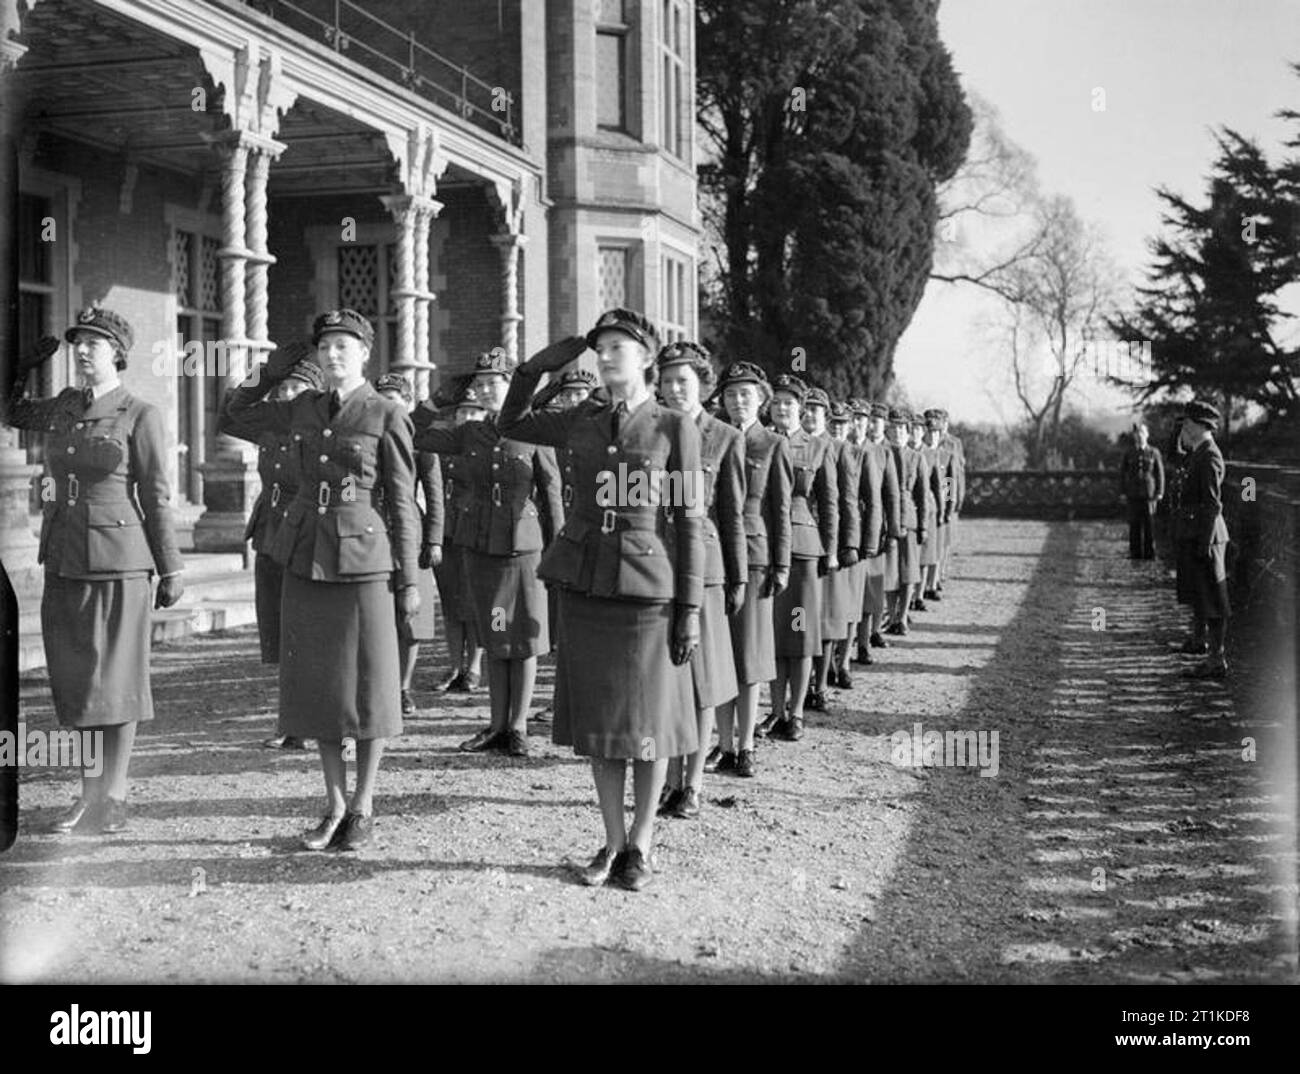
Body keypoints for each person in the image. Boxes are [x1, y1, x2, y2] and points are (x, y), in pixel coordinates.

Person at [497, 308, 703, 892]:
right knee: (601, 723)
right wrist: (539, 366)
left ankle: (640, 844)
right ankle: (610, 843)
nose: (607, 356)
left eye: (619, 347)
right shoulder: (578, 421)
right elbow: (510, 420)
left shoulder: (672, 427)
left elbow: (689, 522)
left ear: (646, 357)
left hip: (646, 589)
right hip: (587, 584)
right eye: (601, 347)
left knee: (647, 723)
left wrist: (689, 609)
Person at [219, 308, 421, 852]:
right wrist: (268, 371)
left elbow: (401, 502)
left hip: (365, 561)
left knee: (369, 685)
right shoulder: (302, 408)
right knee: (319, 687)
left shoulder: (385, 414)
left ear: (364, 354)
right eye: (325, 347)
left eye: (343, 346)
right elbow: (233, 418)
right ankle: (332, 805)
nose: (333, 355)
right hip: (305, 556)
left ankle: (363, 806)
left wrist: (409, 579)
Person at [3, 308, 184, 835]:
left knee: (118, 679)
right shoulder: (62, 407)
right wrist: (21, 367)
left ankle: (115, 795)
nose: (83, 351)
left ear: (118, 354)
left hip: (119, 562)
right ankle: (86, 796)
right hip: (63, 558)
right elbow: (11, 412)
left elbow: (156, 495)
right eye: (78, 342)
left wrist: (170, 568)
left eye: (95, 343)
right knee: (78, 684)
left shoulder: (139, 413)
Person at [413, 349, 563, 758]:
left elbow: (552, 496)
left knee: (525, 638)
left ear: (511, 386)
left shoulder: (536, 431)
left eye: (492, 382)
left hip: (525, 551)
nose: (484, 390)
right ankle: (496, 724)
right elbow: (413, 434)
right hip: (481, 549)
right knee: (496, 635)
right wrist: (436, 402)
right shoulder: (469, 433)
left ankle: (517, 727)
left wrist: (558, 553)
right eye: (479, 384)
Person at [655, 342, 746, 817]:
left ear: (703, 385)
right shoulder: (648, 429)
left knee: (702, 679)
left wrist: (738, 576)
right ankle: (666, 780)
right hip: (656, 566)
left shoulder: (724, 437)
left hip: (705, 570)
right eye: (667, 380)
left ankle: (692, 784)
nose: (673, 389)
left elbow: (731, 514)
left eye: (683, 381)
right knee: (666, 679)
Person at [222, 354, 324, 750]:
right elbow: (229, 416)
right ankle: (292, 722)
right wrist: (264, 376)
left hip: (306, 537)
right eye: (284, 389)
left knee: (309, 632)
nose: (288, 395)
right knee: (280, 634)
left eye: (297, 388)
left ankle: (321, 721)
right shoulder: (270, 425)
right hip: (269, 534)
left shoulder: (324, 429)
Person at [710, 362, 791, 778]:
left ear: (761, 400)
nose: (738, 402)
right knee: (720, 655)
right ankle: (722, 743)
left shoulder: (773, 444)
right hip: (716, 558)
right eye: (730, 395)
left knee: (750, 657)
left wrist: (781, 563)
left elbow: (780, 510)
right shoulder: (715, 439)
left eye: (746, 394)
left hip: (756, 559)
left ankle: (744, 747)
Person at [759, 374, 836, 743]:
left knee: (799, 631)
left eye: (789, 403)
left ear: (801, 409)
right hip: (768, 544)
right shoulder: (760, 441)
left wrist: (834, 550)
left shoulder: (818, 447)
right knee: (774, 633)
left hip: (803, 548)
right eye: (777, 403)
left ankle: (798, 712)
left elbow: (832, 502)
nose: (783, 409)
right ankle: (775, 710)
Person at [374, 373, 443, 715]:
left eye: (396, 399)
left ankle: (403, 687)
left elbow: (433, 494)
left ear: (409, 404)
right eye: (383, 398)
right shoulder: (367, 436)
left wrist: (433, 539)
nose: (389, 406)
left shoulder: (422, 442)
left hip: (410, 532)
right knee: (377, 614)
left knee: (412, 620)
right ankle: (379, 685)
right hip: (373, 531)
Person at [431, 379, 486, 693]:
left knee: (474, 603)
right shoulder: (446, 444)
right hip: (448, 530)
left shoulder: (489, 445)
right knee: (451, 603)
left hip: (476, 530)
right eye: (463, 411)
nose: (467, 417)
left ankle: (475, 666)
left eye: (474, 412)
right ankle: (454, 665)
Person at [1173, 400, 1230, 678]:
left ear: (1198, 425)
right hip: (1197, 533)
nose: (1183, 427)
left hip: (1207, 536)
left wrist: (1204, 544)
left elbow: (1212, 504)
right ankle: (1201, 644)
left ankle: (1216, 660)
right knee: (1200, 593)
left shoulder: (1209, 456)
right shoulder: (1199, 452)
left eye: (1186, 423)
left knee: (1213, 598)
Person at [855, 402, 901, 659]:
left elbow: (892, 494)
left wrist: (893, 531)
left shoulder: (883, 453)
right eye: (860, 419)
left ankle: (864, 643)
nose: (866, 424)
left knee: (870, 590)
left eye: (868, 419)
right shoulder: (840, 446)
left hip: (873, 529)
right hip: (847, 528)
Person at [825, 400, 865, 689]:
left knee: (850, 607)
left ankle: (844, 661)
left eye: (843, 423)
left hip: (851, 538)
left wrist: (857, 542)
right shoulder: (820, 447)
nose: (837, 427)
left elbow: (868, 500)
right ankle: (825, 666)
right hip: (825, 536)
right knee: (828, 608)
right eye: (834, 423)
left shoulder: (860, 454)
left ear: (851, 426)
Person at [885, 408, 927, 636]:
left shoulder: (917, 457)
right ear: (888, 430)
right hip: (888, 521)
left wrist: (924, 525)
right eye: (894, 427)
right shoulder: (881, 454)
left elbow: (923, 495)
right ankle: (891, 615)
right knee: (890, 573)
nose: (898, 432)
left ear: (909, 432)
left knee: (909, 572)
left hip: (909, 520)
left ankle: (902, 617)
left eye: (902, 428)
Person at [1119, 420, 1165, 560]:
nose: (1139, 436)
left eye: (1142, 433)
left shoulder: (1154, 452)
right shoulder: (1129, 453)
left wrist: (1160, 492)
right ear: (1134, 436)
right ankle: (1135, 553)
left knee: (1149, 524)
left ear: (1147, 435)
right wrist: (1122, 492)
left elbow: (1159, 473)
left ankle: (1150, 554)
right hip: (1133, 494)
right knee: (1134, 524)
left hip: (1149, 494)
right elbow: (1122, 473)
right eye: (1137, 434)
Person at [915, 411, 946, 606]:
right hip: (913, 508)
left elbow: (945, 483)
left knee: (929, 553)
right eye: (930, 431)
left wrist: (947, 507)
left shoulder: (945, 452)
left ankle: (927, 588)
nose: (933, 436)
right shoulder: (913, 450)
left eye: (937, 432)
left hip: (931, 507)